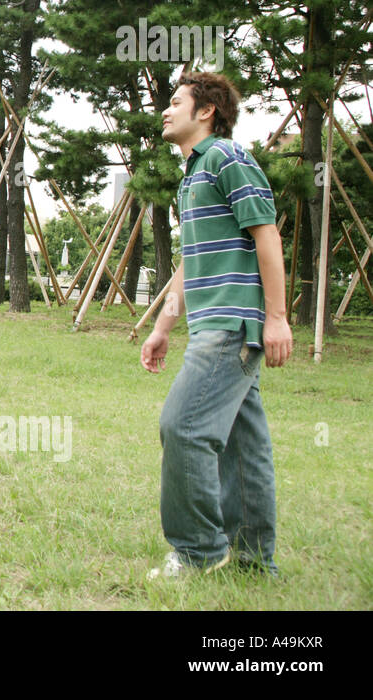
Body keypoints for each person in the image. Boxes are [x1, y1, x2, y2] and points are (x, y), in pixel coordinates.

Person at [141, 71, 292, 579]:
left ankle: (197, 552)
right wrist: (164, 325)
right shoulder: (193, 173)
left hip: (232, 324)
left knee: (182, 426)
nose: (166, 109)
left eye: (176, 101)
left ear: (205, 111)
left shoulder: (226, 157)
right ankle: (252, 560)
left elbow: (266, 234)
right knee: (244, 445)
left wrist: (277, 317)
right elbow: (192, 259)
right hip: (212, 321)